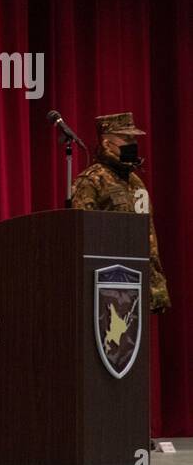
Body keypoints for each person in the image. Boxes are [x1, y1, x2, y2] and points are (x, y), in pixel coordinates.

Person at [70, 112, 170, 314]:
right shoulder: (91, 181)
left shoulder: (135, 181)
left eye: (134, 138)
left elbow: (148, 235)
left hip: (140, 282)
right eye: (127, 138)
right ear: (107, 143)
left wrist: (157, 286)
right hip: (108, 287)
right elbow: (81, 238)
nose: (133, 143)